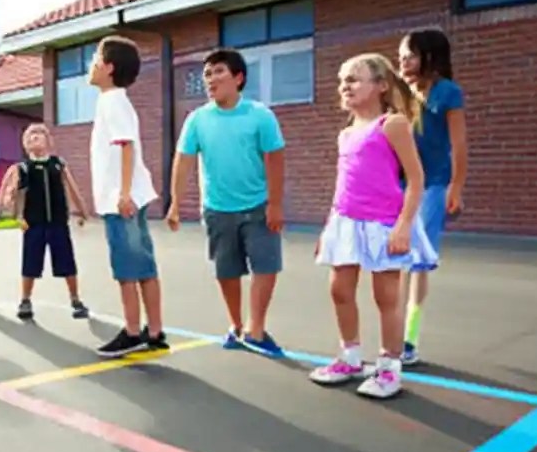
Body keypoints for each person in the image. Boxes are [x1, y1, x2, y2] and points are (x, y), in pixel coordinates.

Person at [308, 53, 438, 399]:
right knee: (339, 290)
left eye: (353, 79)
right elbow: (342, 186)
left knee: (386, 297)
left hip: (383, 224)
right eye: (342, 80)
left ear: (381, 85)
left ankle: (389, 368)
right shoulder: (347, 133)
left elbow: (416, 179)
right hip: (346, 222)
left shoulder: (392, 125)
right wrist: (328, 228)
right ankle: (350, 357)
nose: (344, 86)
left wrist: (403, 226)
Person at [166, 48, 286, 358]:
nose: (211, 79)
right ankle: (236, 325)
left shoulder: (260, 115)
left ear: (238, 78)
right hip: (218, 209)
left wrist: (275, 203)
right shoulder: (197, 119)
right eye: (207, 74)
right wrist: (175, 202)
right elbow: (183, 160)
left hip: (258, 206)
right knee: (226, 271)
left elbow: (275, 159)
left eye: (219, 72)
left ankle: (256, 329)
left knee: (266, 266)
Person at [87, 35, 167, 357]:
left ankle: (133, 331)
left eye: (95, 59)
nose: (90, 66)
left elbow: (126, 145)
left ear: (108, 68)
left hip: (122, 201)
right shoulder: (113, 100)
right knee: (144, 265)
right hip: (128, 197)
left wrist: (122, 193)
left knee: (127, 269)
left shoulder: (112, 100)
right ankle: (155, 330)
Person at [396, 28, 467, 366]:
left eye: (409, 55)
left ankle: (409, 337)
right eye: (401, 57)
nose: (403, 62)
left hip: (434, 185)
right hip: (401, 185)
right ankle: (391, 332)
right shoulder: (401, 93)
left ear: (430, 57)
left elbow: (459, 144)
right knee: (394, 257)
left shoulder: (447, 93)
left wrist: (456, 185)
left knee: (417, 261)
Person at [11, 122, 90, 320]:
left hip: (58, 223)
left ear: (48, 141)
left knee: (66, 262)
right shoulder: (24, 168)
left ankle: (75, 299)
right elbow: (18, 194)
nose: (34, 138)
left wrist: (82, 210)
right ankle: (25, 300)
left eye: (38, 134)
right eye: (30, 136)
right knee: (30, 263)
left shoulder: (58, 164)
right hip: (34, 224)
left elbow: (71, 187)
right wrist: (18, 216)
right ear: (25, 144)